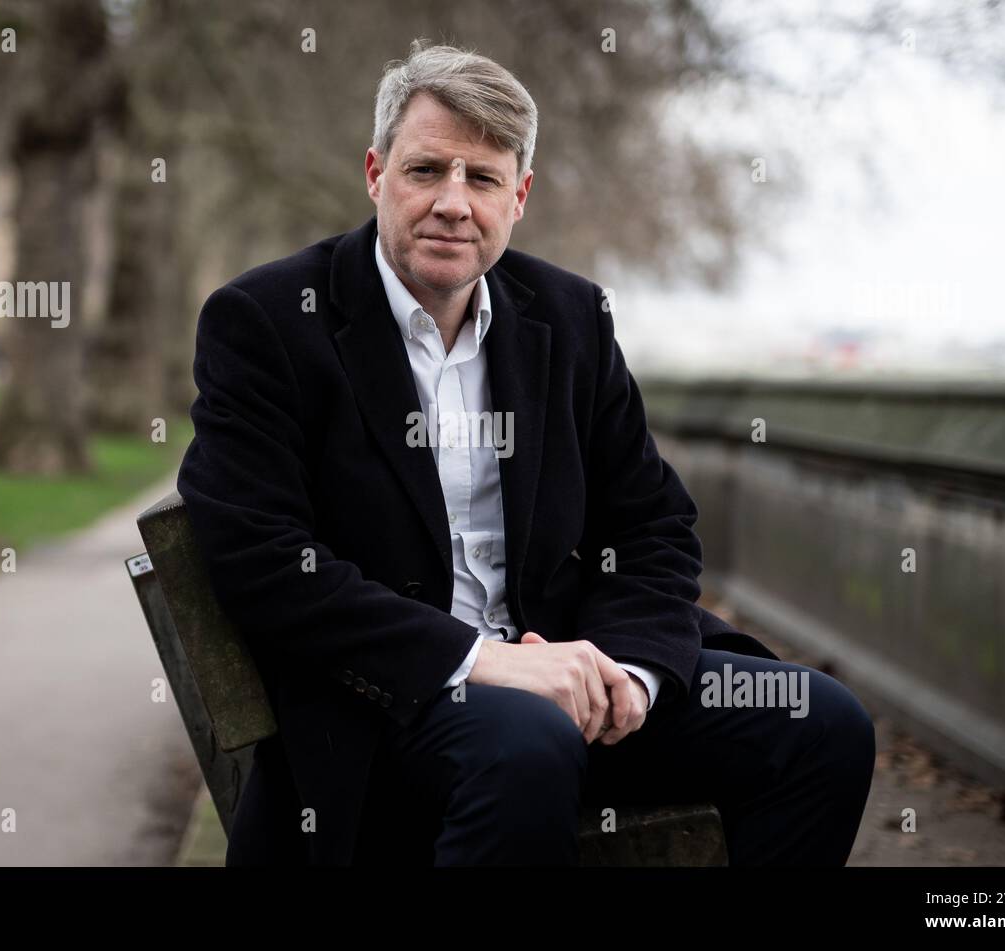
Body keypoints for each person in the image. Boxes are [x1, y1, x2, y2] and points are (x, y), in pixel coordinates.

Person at [176, 39, 875, 866]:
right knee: (527, 741)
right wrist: (483, 662)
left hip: (570, 679)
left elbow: (653, 524)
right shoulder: (268, 322)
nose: (453, 203)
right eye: (426, 171)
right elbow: (261, 560)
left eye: (483, 179)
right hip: (391, 705)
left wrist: (630, 673)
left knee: (822, 724)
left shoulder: (570, 318)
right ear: (375, 174)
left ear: (521, 196)